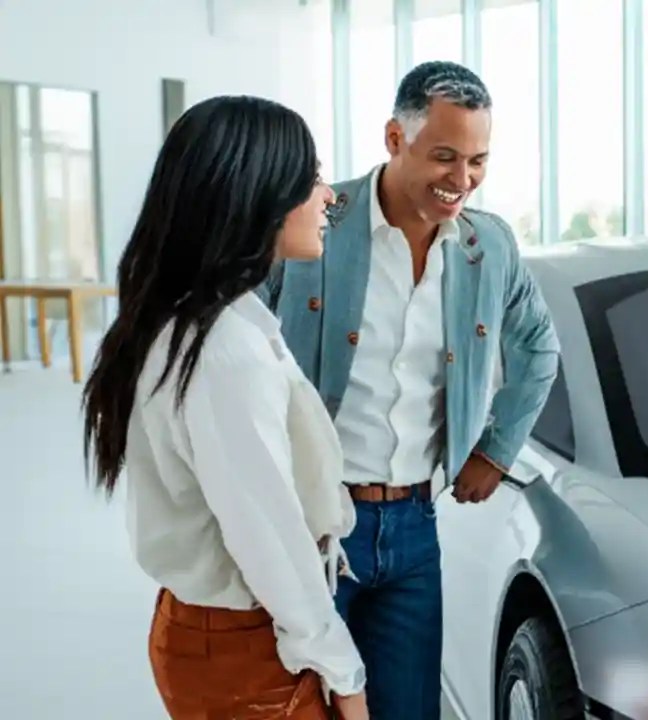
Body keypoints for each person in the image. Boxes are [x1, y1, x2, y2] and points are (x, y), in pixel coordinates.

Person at [259, 60, 560, 718]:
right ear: (395, 139)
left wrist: (496, 448)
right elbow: (233, 333)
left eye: (478, 160)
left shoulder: (490, 246)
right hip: (311, 523)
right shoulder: (314, 221)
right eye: (445, 156)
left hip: (414, 529)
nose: (462, 181)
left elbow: (539, 347)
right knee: (301, 706)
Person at [81, 95, 369, 719]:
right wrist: (344, 674)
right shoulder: (223, 350)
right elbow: (268, 537)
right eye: (311, 178)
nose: (328, 197)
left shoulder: (196, 319)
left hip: (213, 631)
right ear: (256, 195)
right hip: (248, 643)